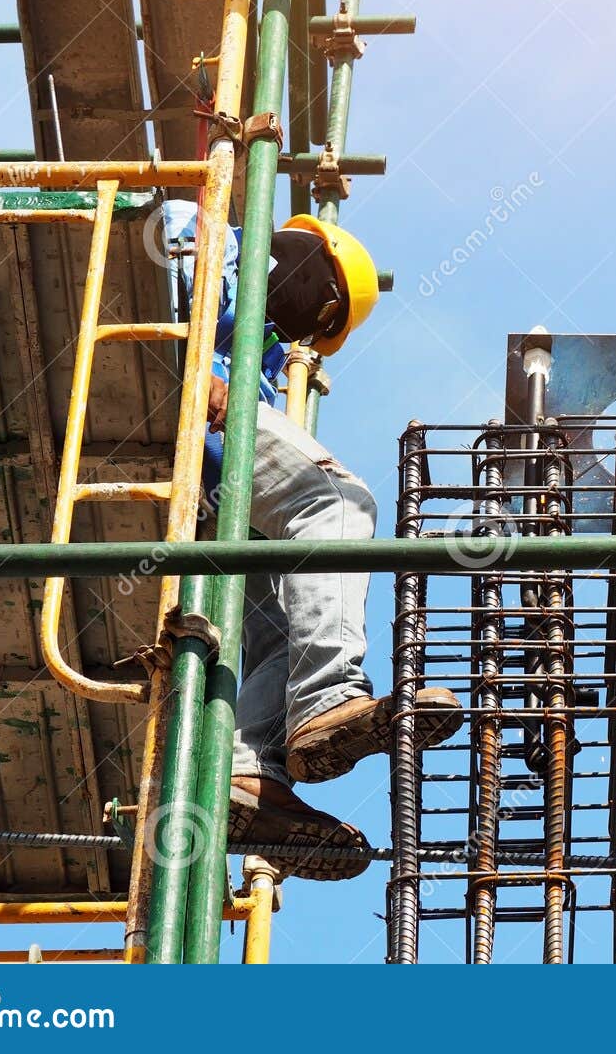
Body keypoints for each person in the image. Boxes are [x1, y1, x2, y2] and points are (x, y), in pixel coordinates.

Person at [167, 204, 462, 880]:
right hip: (180, 393)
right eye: (320, 323)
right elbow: (155, 259)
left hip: (202, 456)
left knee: (279, 615)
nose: (302, 336)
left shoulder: (260, 352)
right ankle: (327, 697)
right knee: (336, 502)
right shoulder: (210, 235)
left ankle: (249, 772)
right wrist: (190, 360)